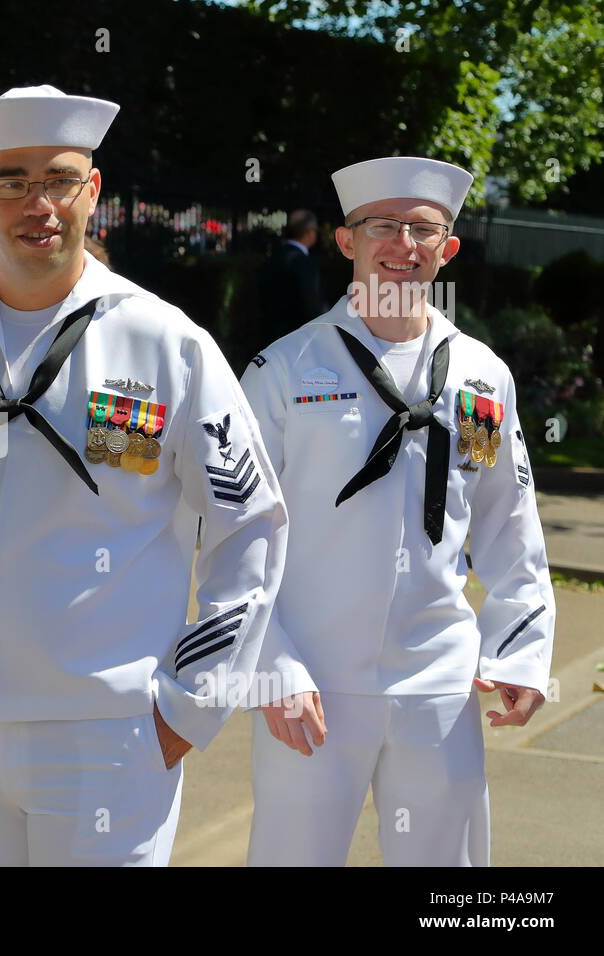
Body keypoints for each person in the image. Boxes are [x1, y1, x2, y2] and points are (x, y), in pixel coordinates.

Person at [0, 85, 288, 866]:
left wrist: (194, 701)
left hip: (108, 737)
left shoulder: (164, 345)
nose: (37, 203)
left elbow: (249, 522)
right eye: (12, 180)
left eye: (60, 178)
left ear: (94, 192)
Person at [241, 156, 556, 866]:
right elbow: (238, 534)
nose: (403, 245)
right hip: (312, 680)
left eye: (423, 230)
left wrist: (522, 649)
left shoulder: (481, 373)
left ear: (447, 250)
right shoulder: (283, 370)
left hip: (440, 681)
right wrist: (269, 663)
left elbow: (510, 523)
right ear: (347, 241)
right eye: (383, 226)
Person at [257, 209, 326, 339]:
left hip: (269, 336)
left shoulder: (272, 258)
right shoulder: (304, 263)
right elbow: (312, 306)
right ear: (310, 232)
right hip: (298, 338)